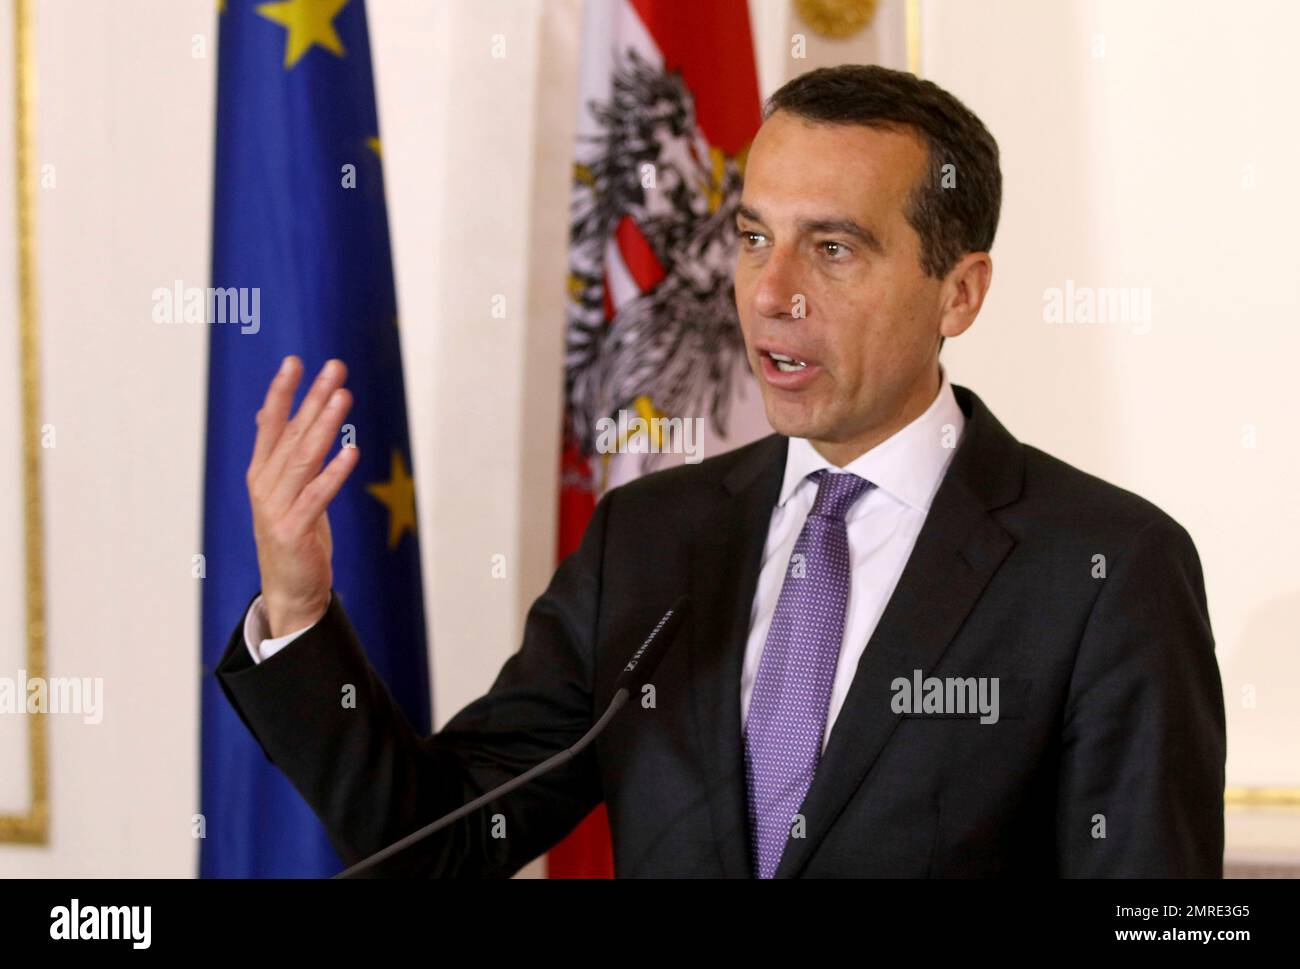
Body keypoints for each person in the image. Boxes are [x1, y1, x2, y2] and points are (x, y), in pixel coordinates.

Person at [216, 65, 1225, 878]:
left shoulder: (1104, 568)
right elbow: (435, 841)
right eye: (753, 238)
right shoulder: (649, 539)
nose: (770, 293)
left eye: (832, 248)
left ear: (957, 294)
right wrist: (300, 613)